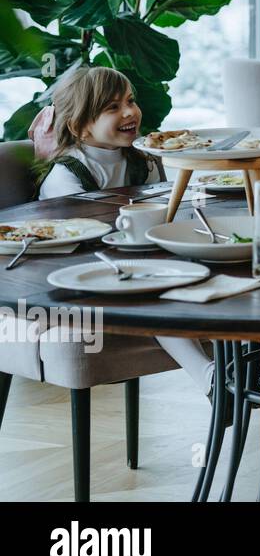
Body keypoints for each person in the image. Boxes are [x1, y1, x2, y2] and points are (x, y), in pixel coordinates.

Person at [35, 68, 218, 405]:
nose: (130, 112)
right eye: (112, 107)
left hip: (135, 267)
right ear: (80, 126)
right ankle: (211, 379)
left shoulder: (143, 162)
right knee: (152, 295)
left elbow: (165, 213)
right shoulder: (67, 176)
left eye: (130, 101)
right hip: (83, 277)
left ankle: (238, 372)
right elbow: (73, 241)